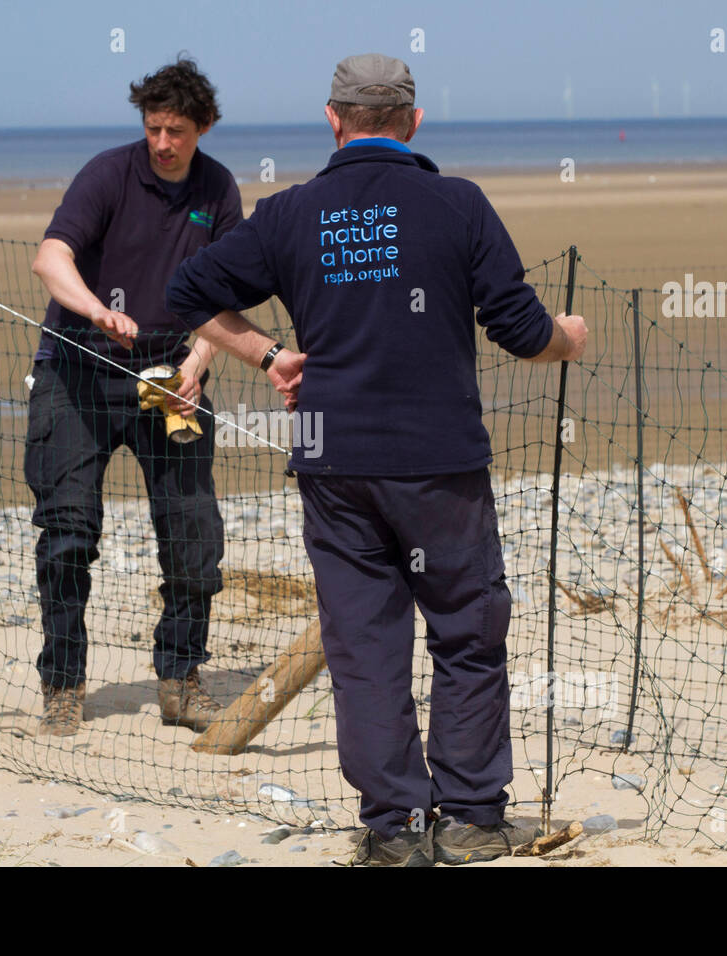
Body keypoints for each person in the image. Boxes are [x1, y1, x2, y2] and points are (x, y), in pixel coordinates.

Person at [166, 53, 588, 865]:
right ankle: (466, 818)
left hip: (336, 459)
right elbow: (523, 329)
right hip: (435, 459)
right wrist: (569, 337)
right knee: (465, 630)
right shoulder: (455, 202)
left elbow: (185, 292)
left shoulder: (294, 213)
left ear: (333, 119)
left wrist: (265, 355)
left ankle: (396, 827)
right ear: (413, 123)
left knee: (367, 644)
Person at [26, 58, 243, 736]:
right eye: (153, 128)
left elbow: (227, 295)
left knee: (193, 534)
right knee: (68, 534)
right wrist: (94, 310)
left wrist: (198, 364)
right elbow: (50, 257)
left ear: (203, 127)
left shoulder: (220, 188)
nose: (162, 143)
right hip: (77, 368)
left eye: (176, 130)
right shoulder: (107, 173)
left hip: (170, 379)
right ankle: (63, 682)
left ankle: (181, 677)